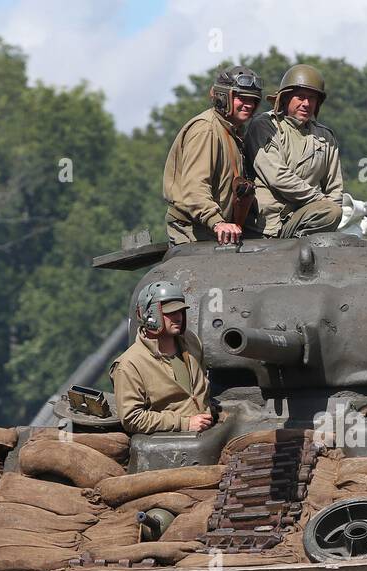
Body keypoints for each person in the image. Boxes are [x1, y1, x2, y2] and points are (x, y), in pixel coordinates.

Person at [163, 66, 264, 245]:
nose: (248, 105)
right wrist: (217, 222)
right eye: (241, 98)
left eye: (253, 100)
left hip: (217, 230)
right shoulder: (207, 130)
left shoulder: (233, 132)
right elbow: (195, 187)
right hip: (194, 232)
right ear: (223, 97)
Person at [245, 63, 344, 239]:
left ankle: (299, 243)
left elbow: (334, 188)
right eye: (300, 97)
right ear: (285, 98)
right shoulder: (265, 126)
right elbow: (277, 176)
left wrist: (330, 212)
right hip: (265, 224)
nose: (306, 103)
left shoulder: (325, 136)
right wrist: (317, 198)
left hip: (303, 219)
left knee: (332, 212)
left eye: (312, 98)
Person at [110, 280, 213, 435]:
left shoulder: (192, 342)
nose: (178, 317)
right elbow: (132, 418)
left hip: (207, 433)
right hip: (171, 443)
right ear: (150, 316)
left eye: (180, 311)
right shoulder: (129, 365)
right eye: (170, 313)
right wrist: (184, 423)